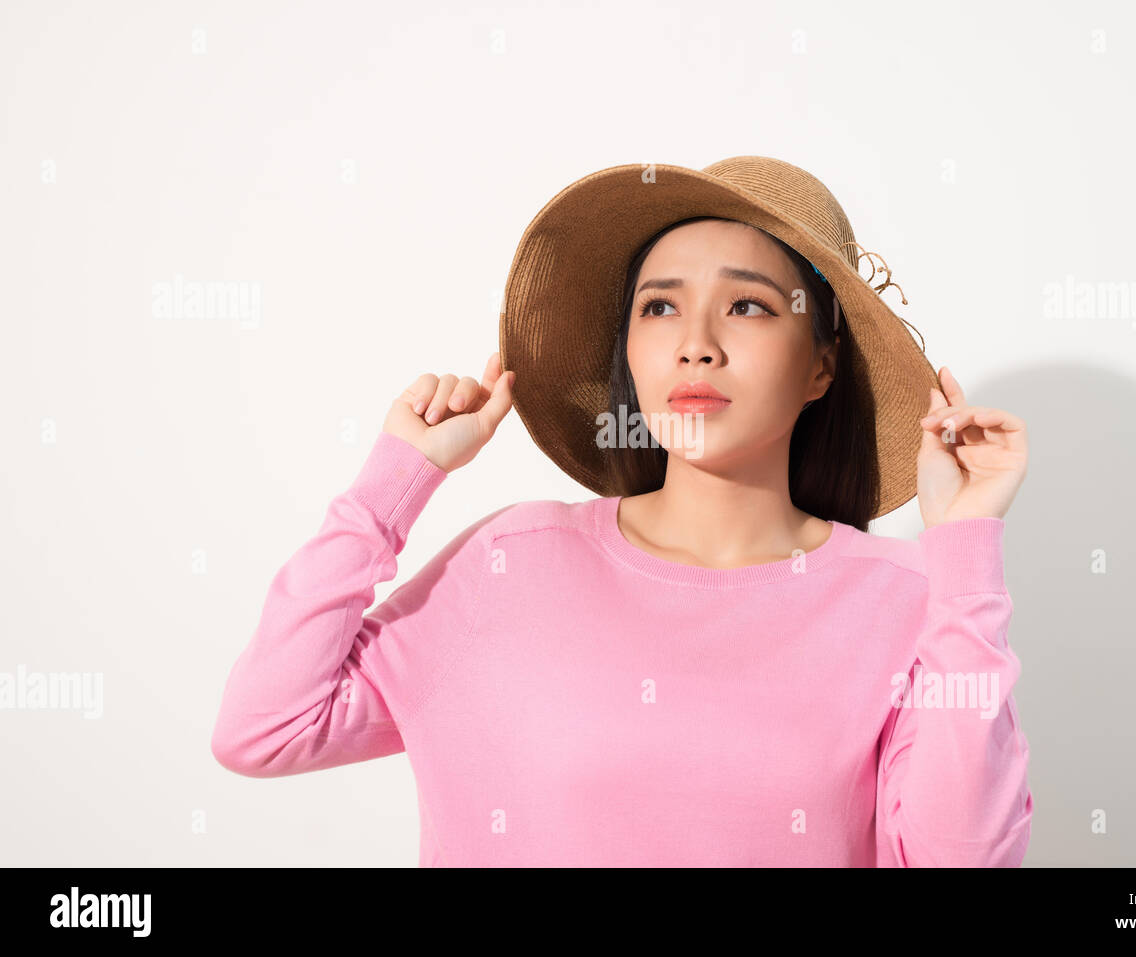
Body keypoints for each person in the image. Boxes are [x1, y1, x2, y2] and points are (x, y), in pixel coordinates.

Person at [211, 157, 1033, 867]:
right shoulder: (514, 563)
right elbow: (265, 726)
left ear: (822, 363)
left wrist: (964, 551)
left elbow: (959, 859)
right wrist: (396, 481)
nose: (696, 343)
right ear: (630, 352)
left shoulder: (905, 599)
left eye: (747, 306)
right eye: (659, 306)